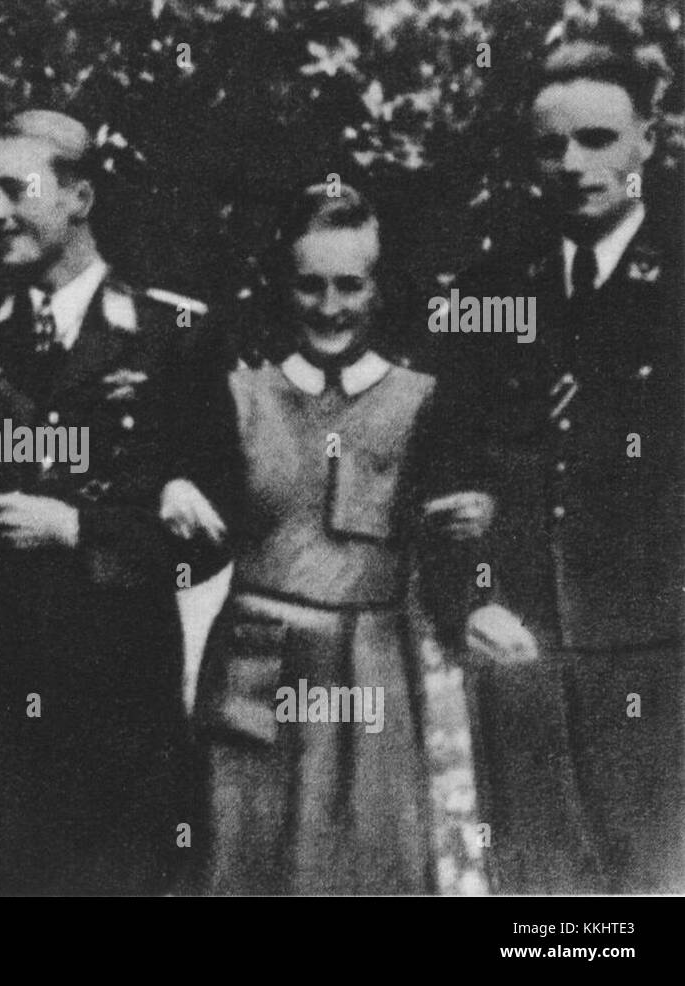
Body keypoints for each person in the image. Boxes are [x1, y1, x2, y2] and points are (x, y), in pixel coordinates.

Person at [0, 109, 227, 895]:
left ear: (80, 196)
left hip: (117, 720)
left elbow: (215, 533)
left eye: (14, 189)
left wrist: (80, 528)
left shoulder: (173, 335)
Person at [179, 180, 508, 894]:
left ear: (380, 289)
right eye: (309, 286)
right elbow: (188, 528)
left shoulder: (424, 402)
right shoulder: (240, 396)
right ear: (283, 288)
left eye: (350, 285)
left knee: (368, 869)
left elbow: (460, 539)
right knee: (243, 867)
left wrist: (476, 529)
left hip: (371, 675)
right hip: (253, 674)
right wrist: (172, 491)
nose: (330, 307)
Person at [445, 21, 683, 893]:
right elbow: (449, 474)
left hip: (663, 667)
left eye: (598, 140)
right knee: (539, 900)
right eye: (551, 148)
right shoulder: (491, 292)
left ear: (647, 142)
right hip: (524, 661)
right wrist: (469, 598)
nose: (575, 165)